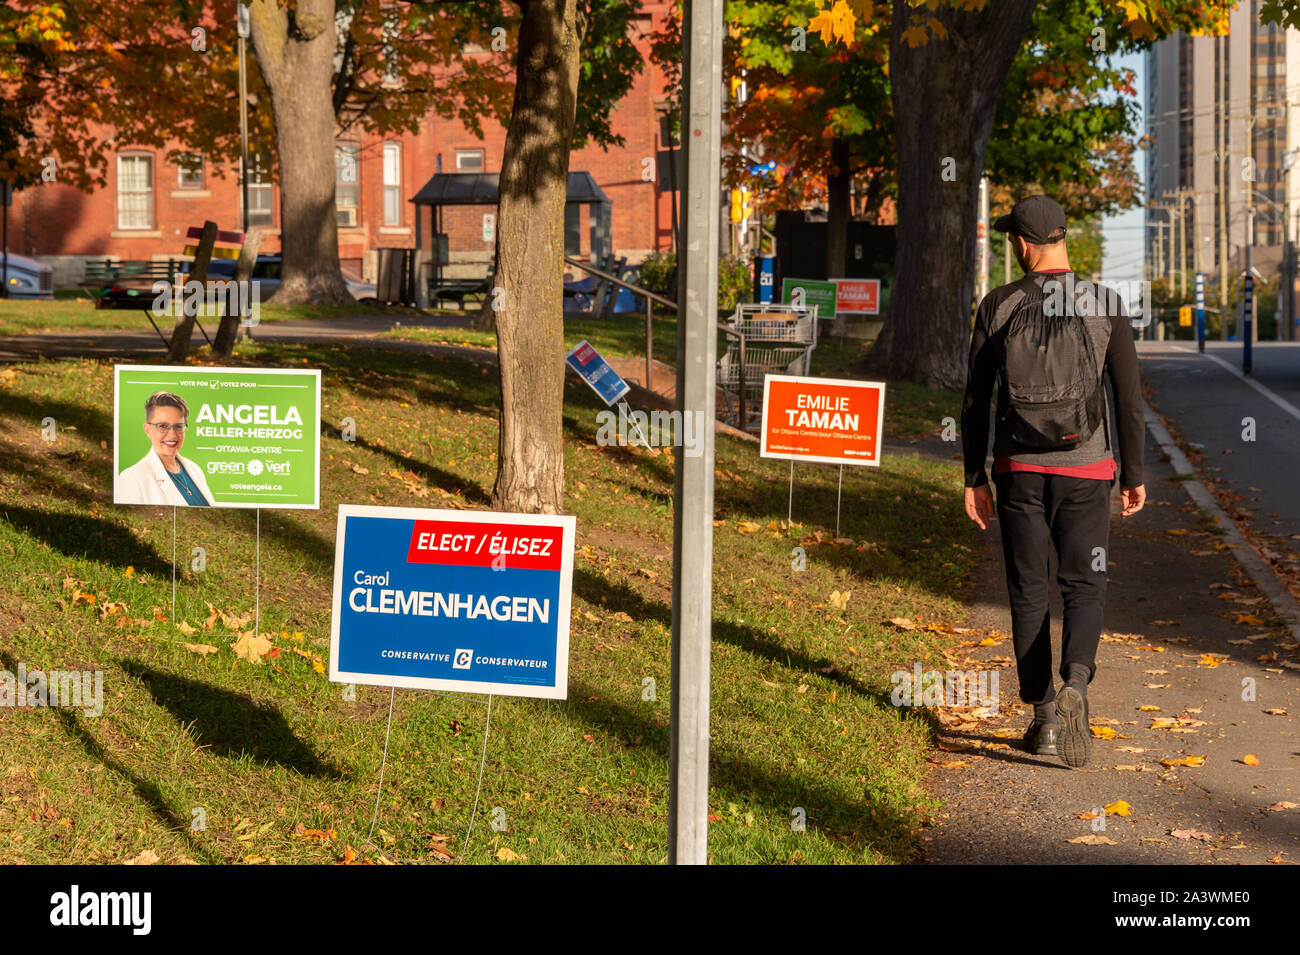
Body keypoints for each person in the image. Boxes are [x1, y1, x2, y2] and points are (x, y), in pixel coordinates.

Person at [961, 194, 1146, 769]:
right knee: (1084, 583)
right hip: (1088, 471)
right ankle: (1077, 686)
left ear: (1021, 243)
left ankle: (1042, 718)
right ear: (1063, 238)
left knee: (1028, 587)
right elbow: (1129, 400)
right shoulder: (1106, 304)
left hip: (1017, 472)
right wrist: (1132, 474)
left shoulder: (998, 305)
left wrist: (975, 475)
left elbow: (975, 402)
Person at [116, 391, 215, 506]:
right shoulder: (131, 479)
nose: (172, 435)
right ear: (147, 429)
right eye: (162, 426)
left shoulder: (195, 469)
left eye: (178, 426)